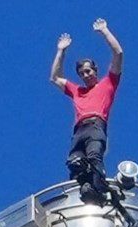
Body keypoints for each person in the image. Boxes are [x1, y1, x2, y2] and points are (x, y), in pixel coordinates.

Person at [49, 18, 124, 204]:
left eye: (88, 71)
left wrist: (105, 31)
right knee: (76, 163)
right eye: (82, 73)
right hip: (79, 130)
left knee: (94, 157)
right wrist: (61, 51)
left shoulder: (107, 84)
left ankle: (99, 189)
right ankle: (84, 191)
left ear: (95, 71)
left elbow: (118, 53)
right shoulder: (77, 91)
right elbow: (54, 77)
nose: (86, 75)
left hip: (96, 125)